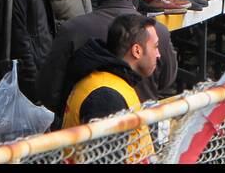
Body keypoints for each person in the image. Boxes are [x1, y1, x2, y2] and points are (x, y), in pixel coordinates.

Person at [38, 0, 177, 113]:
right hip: (142, 129)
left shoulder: (72, 30)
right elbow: (166, 81)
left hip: (85, 130)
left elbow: (49, 92)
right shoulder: (157, 32)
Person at [59, 13, 160, 160]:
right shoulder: (107, 97)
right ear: (137, 51)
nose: (158, 54)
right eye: (155, 47)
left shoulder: (109, 82)